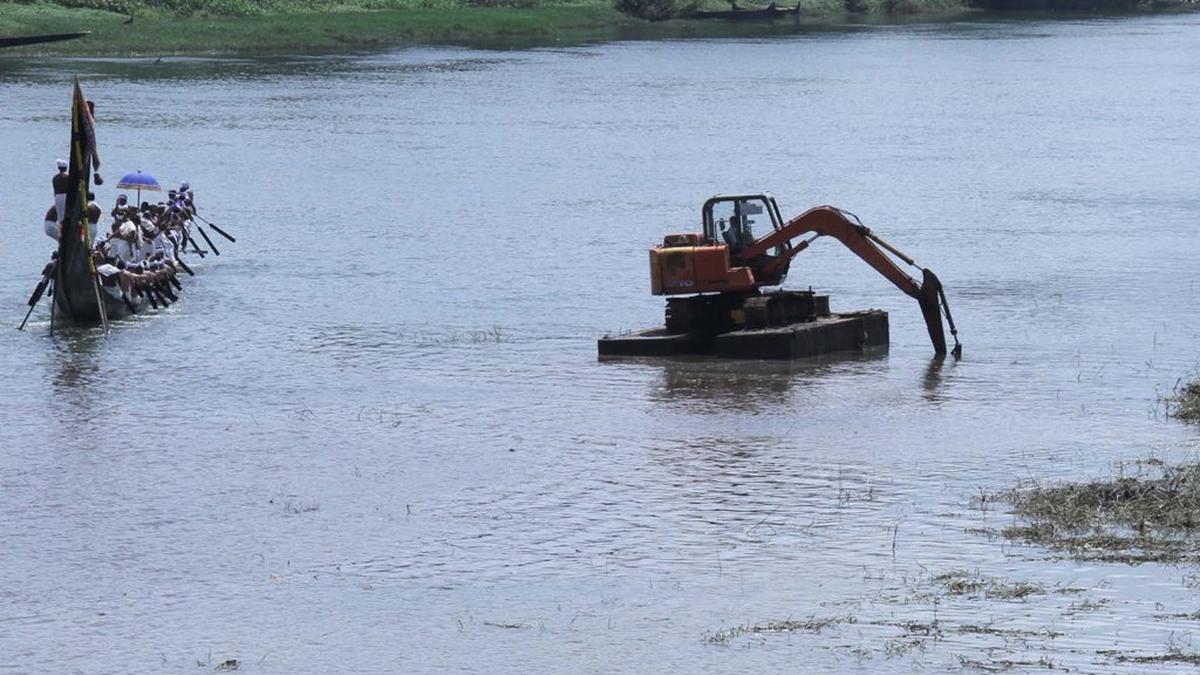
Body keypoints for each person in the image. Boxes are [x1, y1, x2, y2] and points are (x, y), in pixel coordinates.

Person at [51, 159, 68, 225]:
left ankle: (61, 228)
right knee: (67, 213)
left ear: (58, 168)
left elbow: (54, 190)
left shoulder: (55, 177)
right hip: (66, 196)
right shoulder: (68, 176)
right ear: (66, 168)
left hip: (58, 196)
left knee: (60, 215)